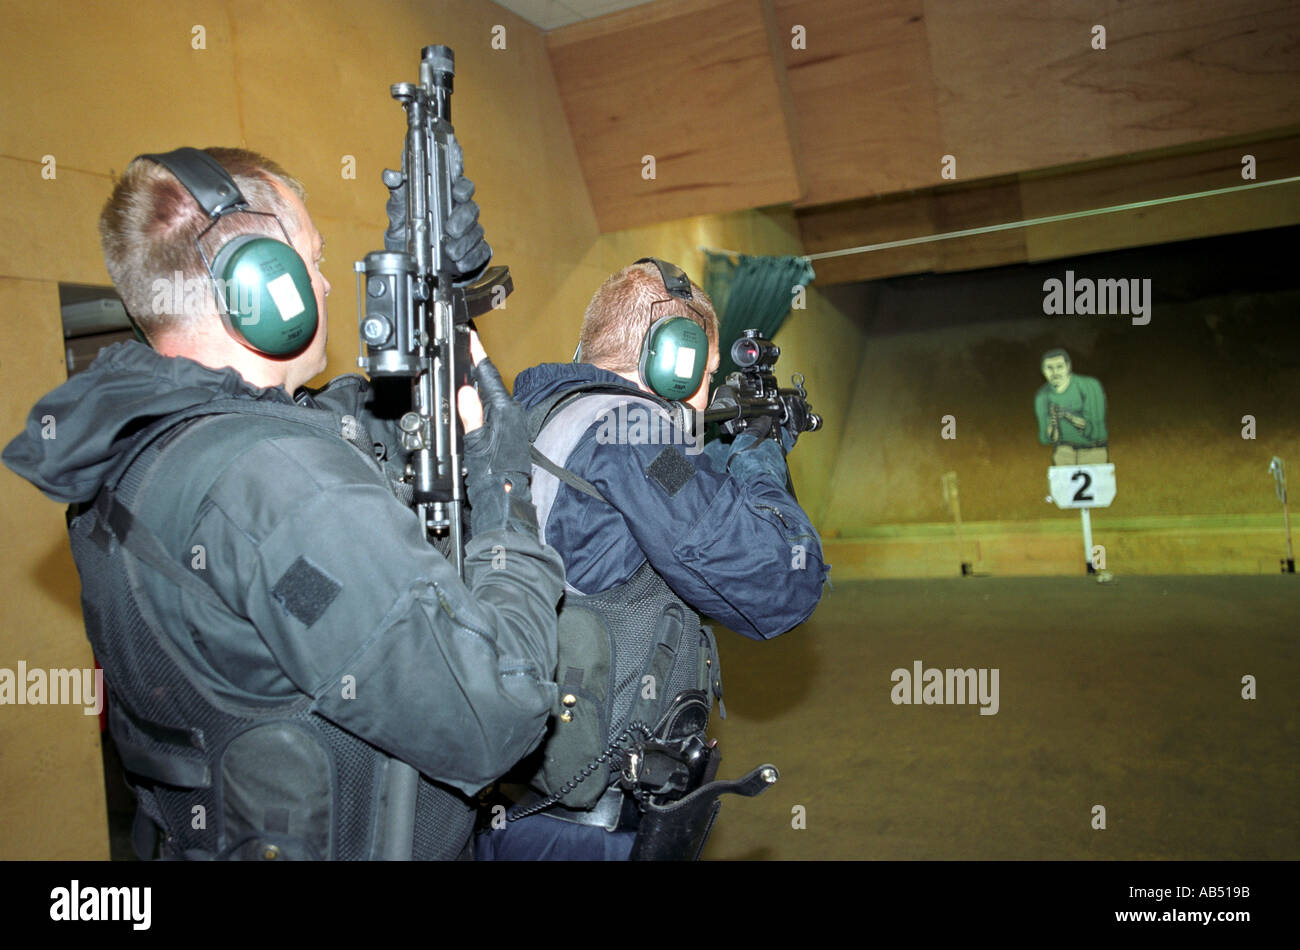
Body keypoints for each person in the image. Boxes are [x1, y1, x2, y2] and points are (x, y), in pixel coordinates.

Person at [2, 147, 564, 860]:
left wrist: (429, 300)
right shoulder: (282, 484)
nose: (327, 286)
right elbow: (493, 718)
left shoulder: (144, 450)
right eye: (314, 262)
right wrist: (506, 499)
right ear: (266, 284)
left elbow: (339, 424)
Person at [476, 258, 827, 860]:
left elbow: (658, 509)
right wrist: (760, 453)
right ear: (673, 359)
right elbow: (780, 577)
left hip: (514, 803)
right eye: (706, 374)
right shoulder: (633, 434)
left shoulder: (528, 419)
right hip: (590, 827)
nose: (707, 395)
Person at [1035, 348, 1109, 465]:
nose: (1055, 373)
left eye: (1059, 366)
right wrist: (1054, 421)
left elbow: (1094, 430)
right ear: (1042, 370)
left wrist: (1068, 416)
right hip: (1063, 451)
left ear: (1068, 366)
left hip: (1093, 449)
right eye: (1049, 368)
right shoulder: (1042, 396)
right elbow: (1046, 438)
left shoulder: (1090, 386)